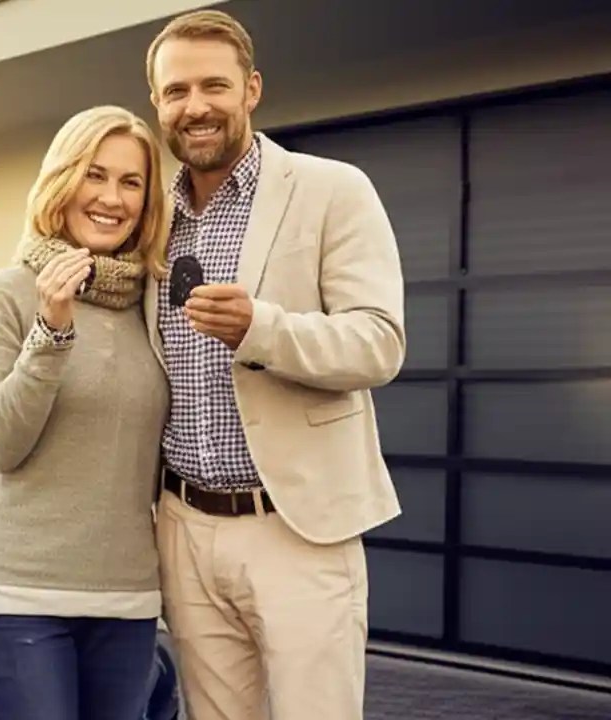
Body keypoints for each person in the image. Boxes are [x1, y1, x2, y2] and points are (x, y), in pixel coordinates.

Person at [143, 9, 406, 720]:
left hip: (297, 526)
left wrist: (263, 328)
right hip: (183, 527)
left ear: (251, 89)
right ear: (158, 105)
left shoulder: (332, 189)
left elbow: (378, 342)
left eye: (214, 86)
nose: (195, 107)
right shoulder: (151, 222)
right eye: (175, 92)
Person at [0, 104, 171, 720]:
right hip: (15, 594)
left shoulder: (150, 303)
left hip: (125, 598)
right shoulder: (3, 294)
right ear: (61, 182)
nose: (111, 198)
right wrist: (50, 331)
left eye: (131, 182)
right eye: (94, 175)